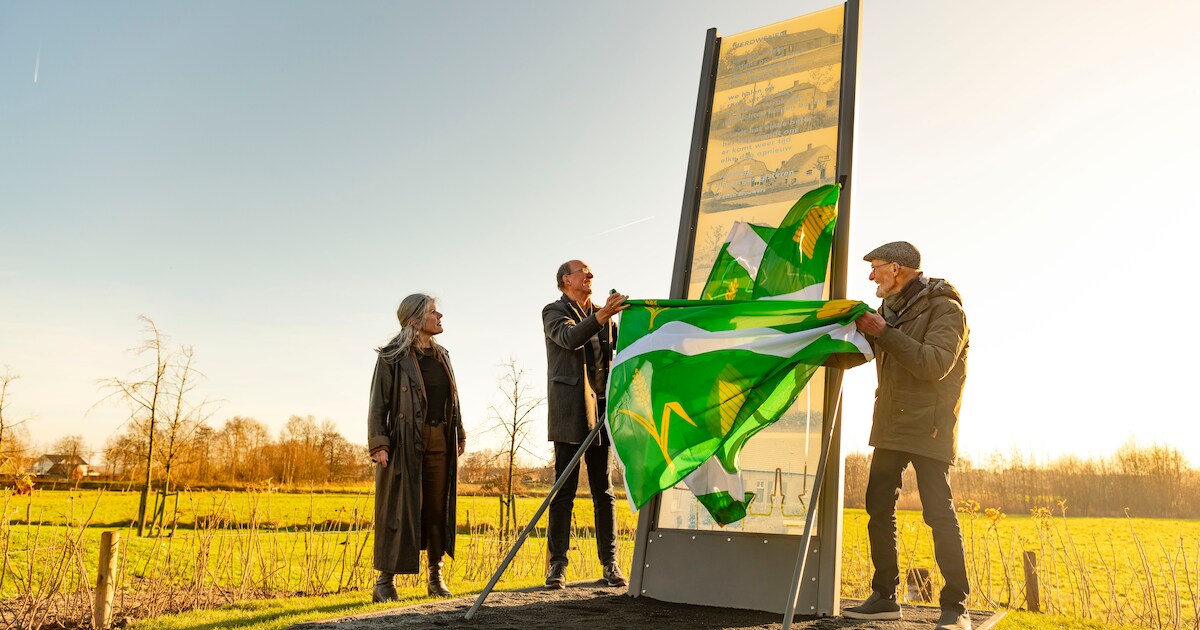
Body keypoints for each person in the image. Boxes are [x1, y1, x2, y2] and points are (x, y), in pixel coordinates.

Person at [841, 242, 972, 630]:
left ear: (896, 268)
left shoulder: (947, 309)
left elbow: (933, 365)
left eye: (875, 268)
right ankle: (885, 597)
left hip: (930, 426)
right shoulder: (886, 312)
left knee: (938, 512)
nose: (870, 276)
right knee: (877, 506)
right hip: (891, 424)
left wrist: (884, 332)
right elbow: (863, 351)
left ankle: (955, 607)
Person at [367, 294, 466, 602]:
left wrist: (459, 431)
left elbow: (453, 397)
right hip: (403, 442)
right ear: (414, 320)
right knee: (400, 509)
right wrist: (378, 443)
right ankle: (385, 582)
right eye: (433, 312)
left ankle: (435, 578)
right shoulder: (391, 356)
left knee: (437, 510)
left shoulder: (443, 354)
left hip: (441, 440)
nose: (440, 316)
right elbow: (377, 403)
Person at [541, 260, 629, 589]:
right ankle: (558, 566)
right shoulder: (553, 311)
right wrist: (603, 315)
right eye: (583, 271)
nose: (590, 276)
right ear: (566, 279)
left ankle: (610, 563)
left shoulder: (601, 314)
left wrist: (635, 320)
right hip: (571, 413)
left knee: (603, 491)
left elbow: (627, 346)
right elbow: (568, 338)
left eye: (591, 272)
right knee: (563, 492)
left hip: (604, 414)